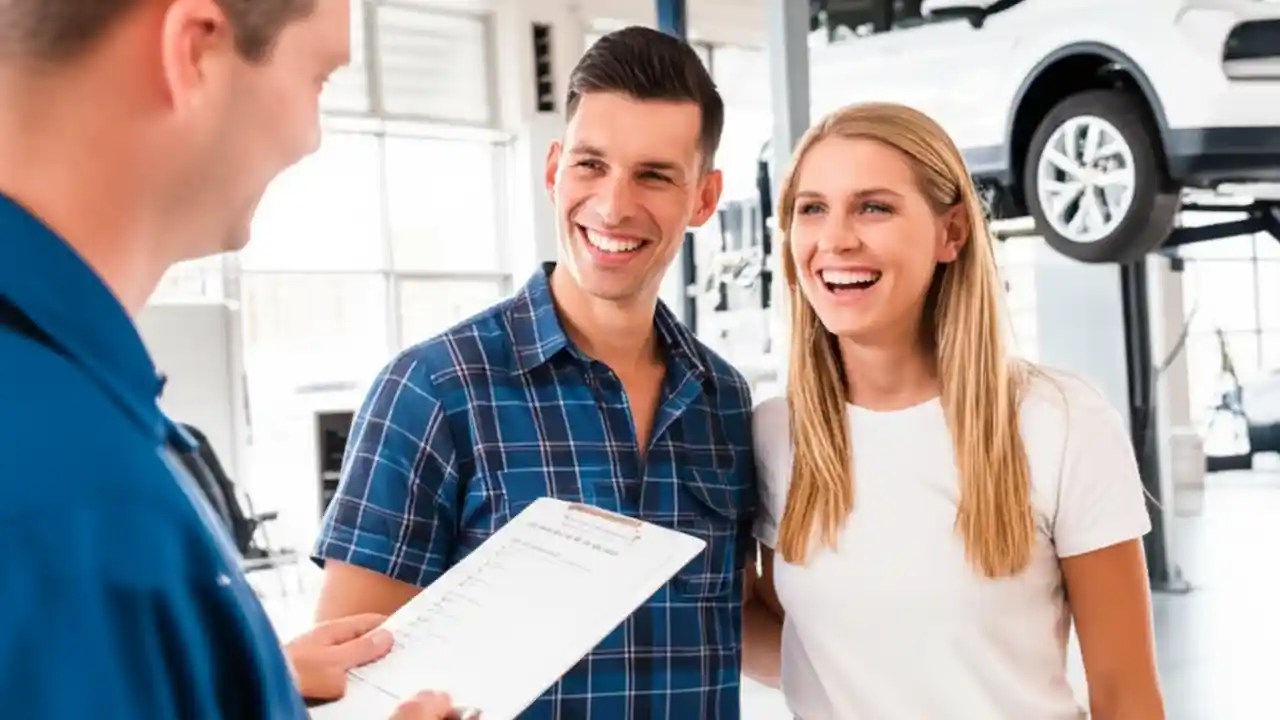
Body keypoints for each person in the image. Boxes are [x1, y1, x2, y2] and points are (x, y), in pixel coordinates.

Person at [0, 1, 452, 718]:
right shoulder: (80, 512)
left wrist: (248, 677)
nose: (311, 137)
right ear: (196, 52)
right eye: (319, 80)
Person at [311, 26, 757, 719]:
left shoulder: (723, 400)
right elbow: (347, 685)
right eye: (590, 165)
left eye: (654, 175)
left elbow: (744, 624)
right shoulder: (433, 390)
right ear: (553, 168)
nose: (613, 205)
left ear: (703, 198)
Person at [741, 102, 1165, 719]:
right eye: (812, 209)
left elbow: (1127, 694)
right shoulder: (778, 434)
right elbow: (798, 642)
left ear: (952, 233)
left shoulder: (1059, 421)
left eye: (874, 207)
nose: (835, 239)